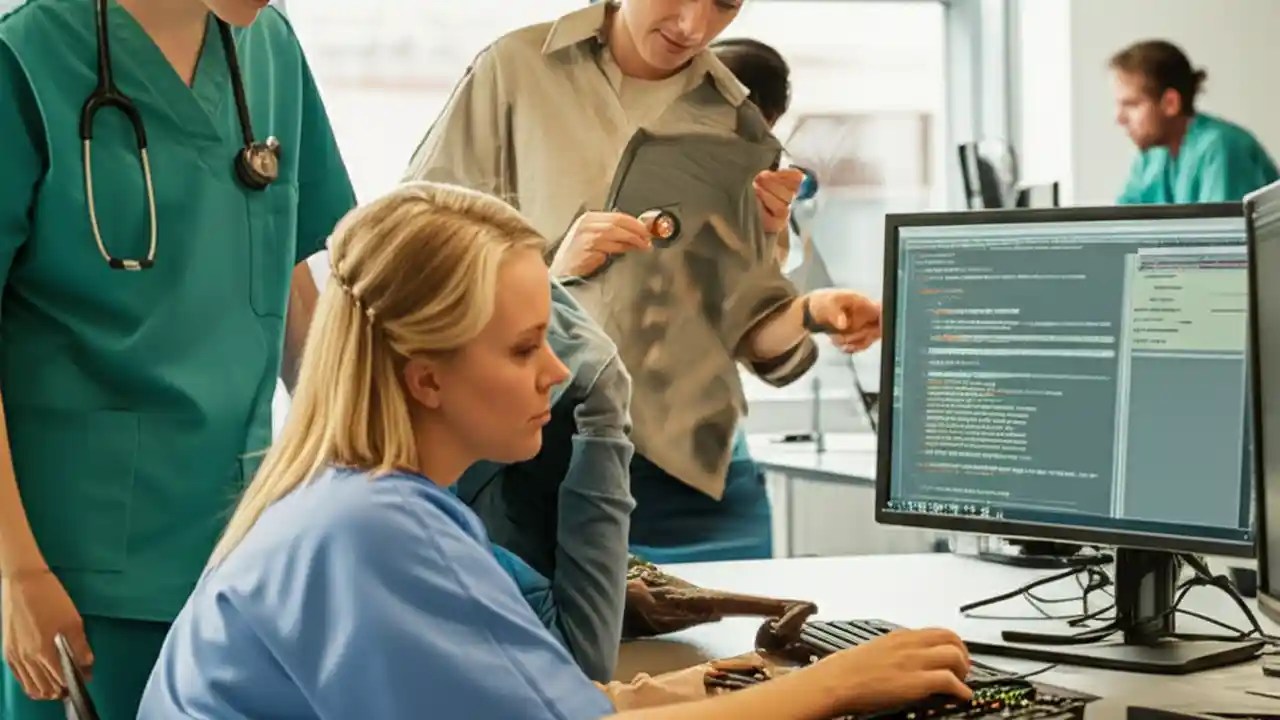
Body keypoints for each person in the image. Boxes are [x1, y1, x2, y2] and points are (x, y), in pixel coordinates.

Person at [137, 181, 973, 720]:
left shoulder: (362, 500)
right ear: (426, 379)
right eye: (524, 347)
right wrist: (835, 685)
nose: (553, 374)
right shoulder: (374, 533)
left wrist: (686, 689)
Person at [406, 0, 878, 585]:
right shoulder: (515, 72)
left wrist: (809, 309)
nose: (693, 27)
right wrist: (551, 272)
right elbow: (412, 256)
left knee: (722, 666)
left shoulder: (738, 123)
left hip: (693, 477)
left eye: (725, 4)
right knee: (552, 661)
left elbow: (747, 335)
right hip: (527, 462)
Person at [0, 0, 355, 717]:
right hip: (75, 560)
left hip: (244, 540)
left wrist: (360, 453)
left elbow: (282, 264)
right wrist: (16, 570)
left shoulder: (268, 46)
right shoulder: (27, 55)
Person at [1112, 39, 1278, 204]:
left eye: (1131, 104)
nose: (1119, 118)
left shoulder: (1220, 147)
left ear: (1171, 103)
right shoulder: (1151, 155)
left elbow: (1219, 229)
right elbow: (1121, 222)